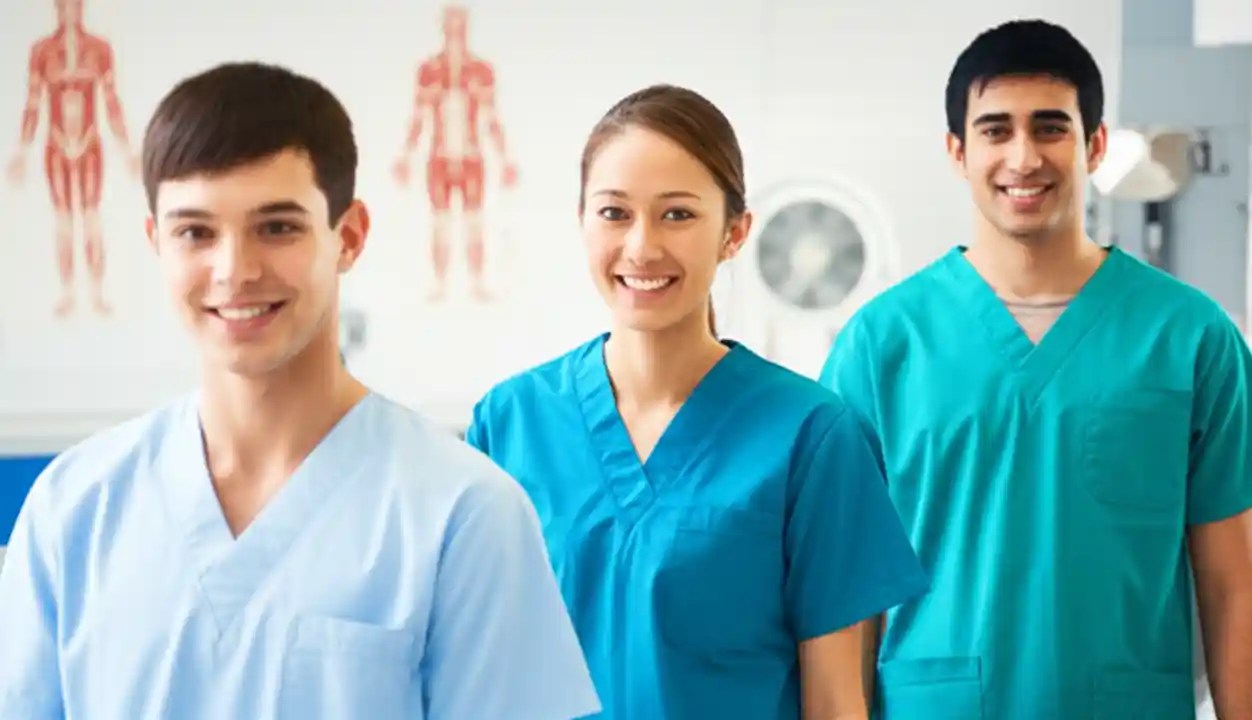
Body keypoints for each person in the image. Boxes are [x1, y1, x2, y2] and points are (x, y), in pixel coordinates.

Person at [0, 61, 599, 720]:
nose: (235, 270)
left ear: (349, 236)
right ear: (156, 243)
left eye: (277, 227)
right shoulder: (74, 509)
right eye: (195, 232)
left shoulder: (463, 513)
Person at [819, 19, 1252, 719]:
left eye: (1050, 128)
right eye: (996, 130)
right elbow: (845, 596)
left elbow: (1232, 587)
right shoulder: (882, 345)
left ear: (1094, 144)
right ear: (957, 151)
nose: (1023, 156)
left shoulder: (1188, 337)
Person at [466, 83, 929, 719]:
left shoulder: (811, 438)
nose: (642, 247)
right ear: (581, 222)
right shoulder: (510, 422)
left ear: (735, 233)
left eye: (677, 214)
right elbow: (478, 673)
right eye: (614, 213)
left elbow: (834, 702)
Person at [7, 0, 139, 318]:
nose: (69, 11)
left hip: (89, 142)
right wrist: (22, 152)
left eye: (74, 5)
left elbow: (111, 101)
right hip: (56, 144)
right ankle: (67, 292)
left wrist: (127, 150)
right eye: (63, 5)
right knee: (64, 220)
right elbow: (33, 103)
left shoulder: (99, 48)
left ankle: (96, 292)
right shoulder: (42, 51)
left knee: (91, 217)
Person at [392, 4, 518, 303]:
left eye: (459, 24)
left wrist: (504, 159)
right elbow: (419, 116)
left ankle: (476, 282)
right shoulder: (429, 70)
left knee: (474, 222)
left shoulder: (480, 71)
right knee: (441, 223)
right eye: (451, 24)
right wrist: (406, 157)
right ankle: (439, 283)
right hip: (440, 156)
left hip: (471, 156)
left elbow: (490, 117)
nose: (455, 30)